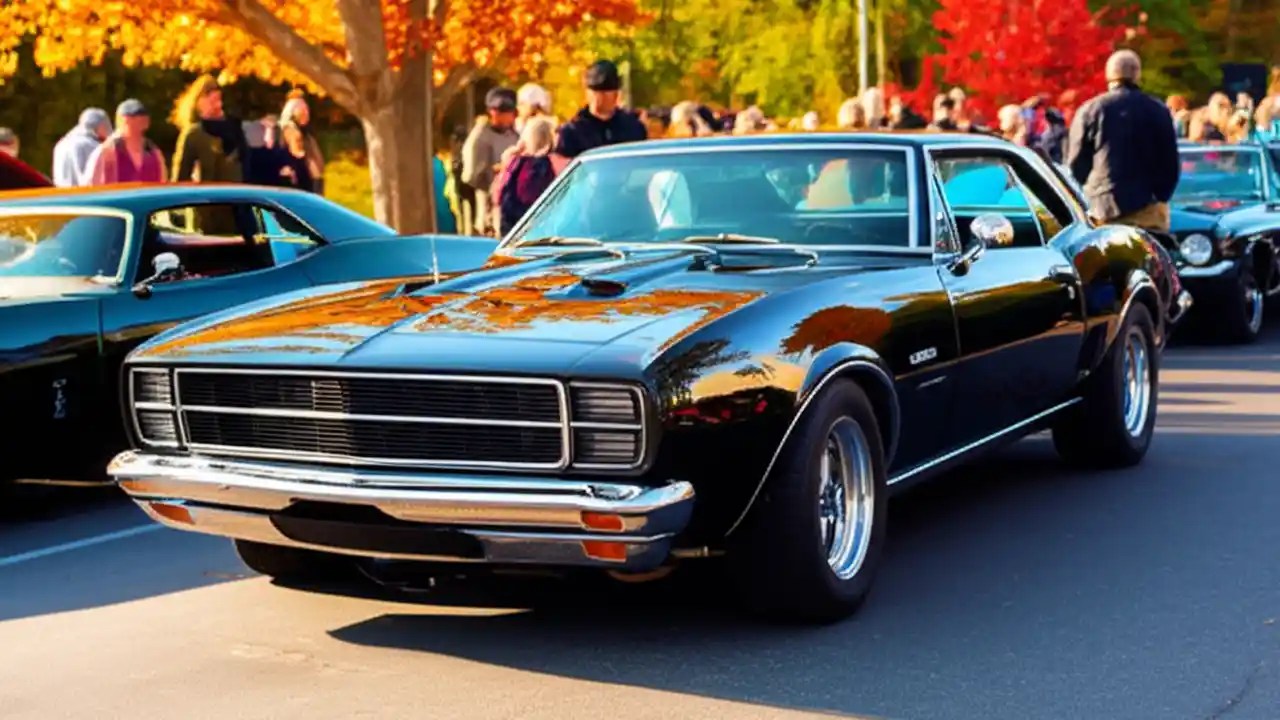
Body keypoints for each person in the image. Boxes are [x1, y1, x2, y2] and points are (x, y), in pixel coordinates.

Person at [1067, 50, 1180, 232]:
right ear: (1137, 75)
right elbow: (1170, 162)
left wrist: (1092, 191)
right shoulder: (1157, 110)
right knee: (1152, 249)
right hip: (1148, 207)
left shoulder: (1091, 110)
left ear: (1108, 75)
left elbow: (1076, 163)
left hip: (1103, 208)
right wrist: (1160, 196)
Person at [553, 59, 648, 158]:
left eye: (604, 93)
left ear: (616, 94)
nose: (598, 97)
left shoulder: (632, 128)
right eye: (595, 92)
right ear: (586, 93)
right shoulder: (572, 132)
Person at [462, 87, 519, 236]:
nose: (508, 117)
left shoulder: (515, 136)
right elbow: (472, 176)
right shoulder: (480, 137)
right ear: (492, 112)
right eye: (502, 112)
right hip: (488, 205)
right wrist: (498, 172)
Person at [171, 74, 246, 183]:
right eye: (211, 101)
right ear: (198, 102)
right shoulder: (193, 134)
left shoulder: (233, 131)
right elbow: (180, 177)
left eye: (218, 100)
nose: (217, 105)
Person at [496, 117, 558, 235]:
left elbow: (499, 194)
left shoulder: (514, 162)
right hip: (534, 227)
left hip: (509, 225)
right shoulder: (545, 165)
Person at [84, 99, 168, 185]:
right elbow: (90, 187)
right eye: (132, 120)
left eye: (141, 120)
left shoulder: (154, 154)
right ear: (122, 121)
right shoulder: (105, 154)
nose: (137, 125)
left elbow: (163, 185)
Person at [277, 93, 325, 193]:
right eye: (302, 110)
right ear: (292, 112)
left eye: (307, 110)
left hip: (314, 177)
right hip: (306, 179)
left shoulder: (305, 132)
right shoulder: (292, 131)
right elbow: (296, 153)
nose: (306, 113)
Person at [52, 108, 112, 187]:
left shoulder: (61, 144)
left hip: (61, 193)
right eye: (106, 126)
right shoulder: (93, 146)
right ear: (100, 126)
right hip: (84, 193)